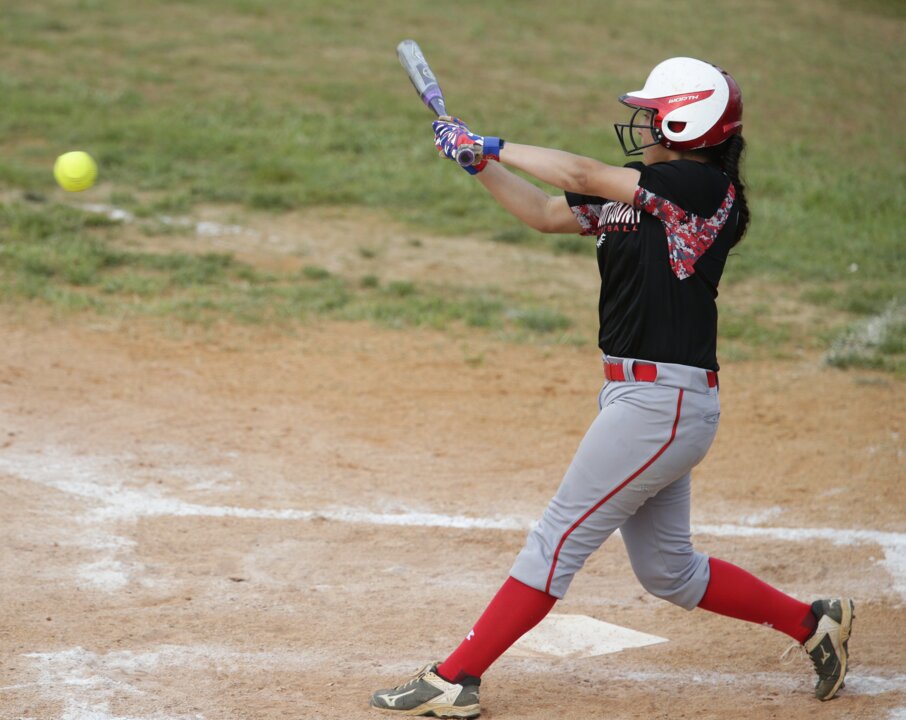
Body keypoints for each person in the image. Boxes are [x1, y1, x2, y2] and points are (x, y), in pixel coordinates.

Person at [370, 57, 853, 718]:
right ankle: (813, 622)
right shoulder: (646, 196)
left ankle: (455, 678)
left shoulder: (699, 188)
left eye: (653, 113)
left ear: (686, 125)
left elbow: (578, 173)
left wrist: (488, 141)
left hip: (662, 403)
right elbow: (543, 210)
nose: (642, 121)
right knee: (669, 571)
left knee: (555, 540)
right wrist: (475, 163)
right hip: (647, 402)